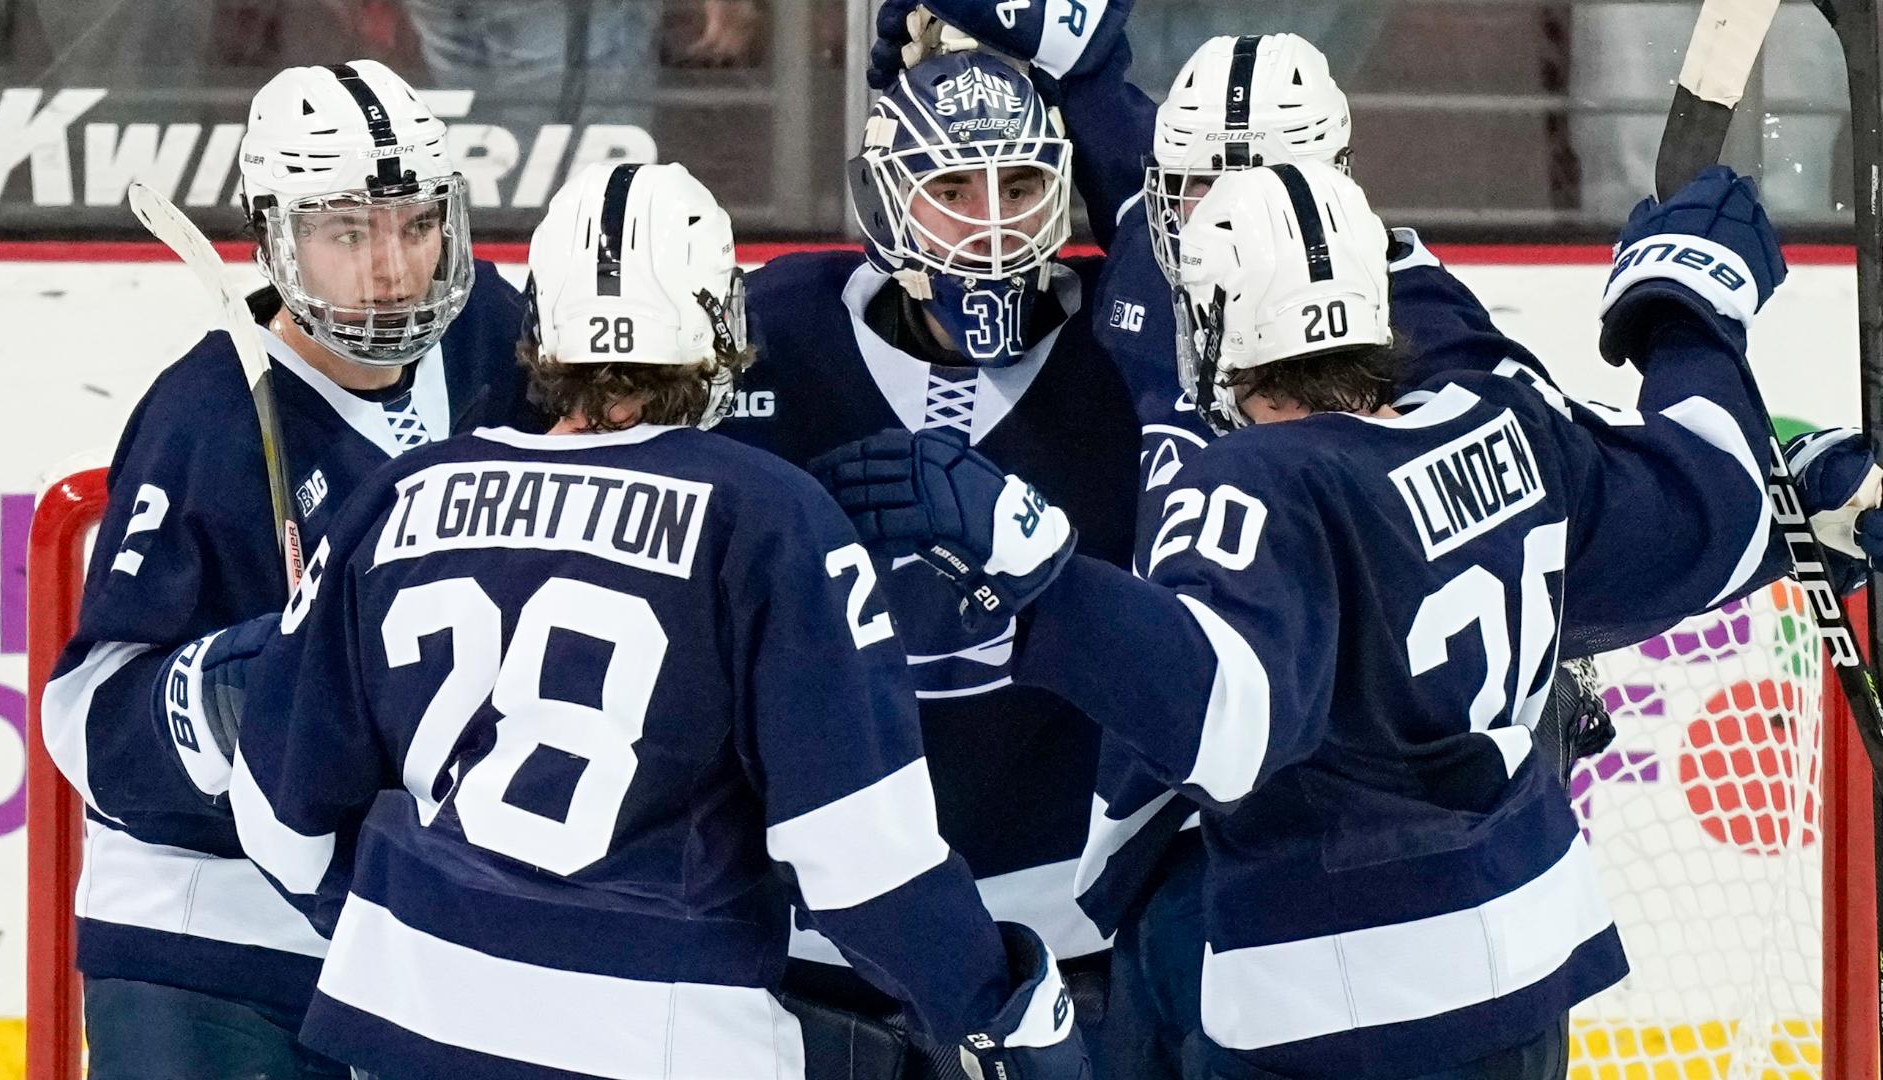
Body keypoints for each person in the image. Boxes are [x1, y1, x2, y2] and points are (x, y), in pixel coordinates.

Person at [816, 162, 1787, 1077]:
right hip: (1528, 971)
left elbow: (1225, 726)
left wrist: (1044, 571)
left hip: (1331, 1004)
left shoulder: (1252, 481)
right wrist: (1686, 311)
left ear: (1211, 324)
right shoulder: (1508, 423)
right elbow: (1731, 511)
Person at [177, 161, 1088, 1080]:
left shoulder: (399, 494)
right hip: (655, 1039)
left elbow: (277, 815)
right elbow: (859, 860)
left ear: (541, 328)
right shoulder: (767, 513)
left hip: (404, 1027)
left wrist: (405, 938)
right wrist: (996, 1010)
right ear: (721, 321)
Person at [38, 58, 530, 1080]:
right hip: (214, 941)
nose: (393, 268)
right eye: (348, 231)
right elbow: (84, 720)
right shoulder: (206, 415)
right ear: (275, 236)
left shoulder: (506, 347)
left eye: (415, 223)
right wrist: (226, 689)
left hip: (437, 930)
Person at [714, 39, 1147, 1074]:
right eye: (954, 186)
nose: (993, 223)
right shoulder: (764, 331)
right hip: (808, 945)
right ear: (890, 199)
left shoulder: (1133, 349)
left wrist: (1083, 64)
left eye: (1024, 184)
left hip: (1068, 944)